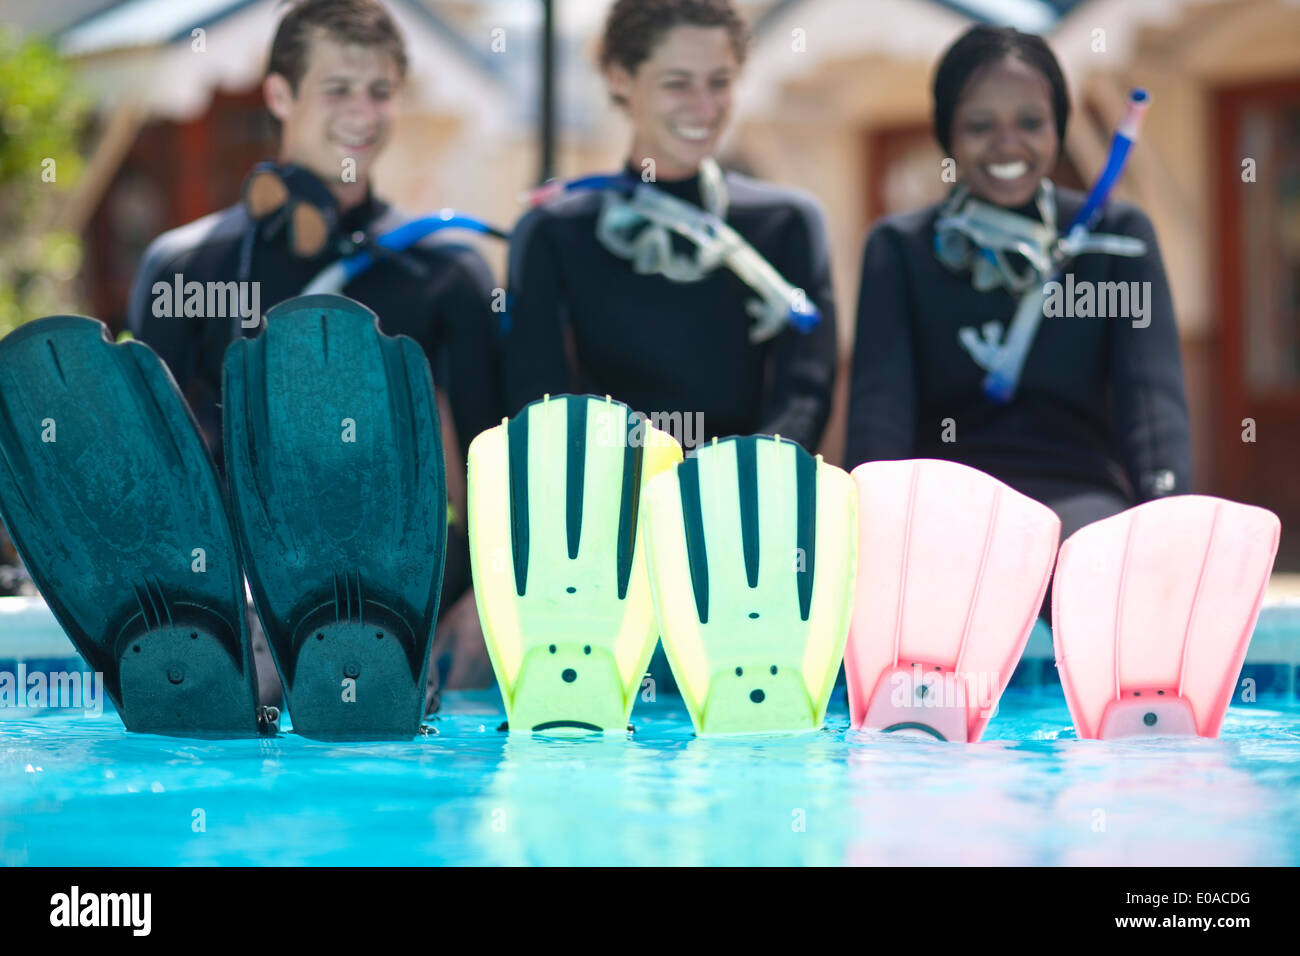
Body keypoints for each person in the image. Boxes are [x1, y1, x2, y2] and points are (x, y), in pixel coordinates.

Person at [127, 0, 500, 704]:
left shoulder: (449, 273)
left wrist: (482, 604)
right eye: (338, 88)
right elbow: (156, 482)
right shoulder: (186, 266)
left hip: (402, 623)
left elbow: (489, 467)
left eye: (380, 91)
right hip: (234, 625)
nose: (362, 110)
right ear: (279, 94)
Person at [846, 25, 1191, 572]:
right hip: (943, 499)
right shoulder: (899, 248)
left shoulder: (1116, 236)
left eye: (1030, 122)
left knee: (1093, 575)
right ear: (947, 136)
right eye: (981, 125)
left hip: (1079, 497)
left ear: (1058, 125)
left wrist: (1165, 521)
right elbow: (877, 416)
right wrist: (873, 537)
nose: (1008, 143)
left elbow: (1152, 403)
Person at [503, 0, 838, 453]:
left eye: (719, 82)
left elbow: (804, 397)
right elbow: (540, 402)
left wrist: (735, 489)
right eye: (677, 84)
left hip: (744, 503)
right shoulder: (554, 231)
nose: (704, 107)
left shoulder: (787, 223)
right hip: (609, 501)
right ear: (621, 77)